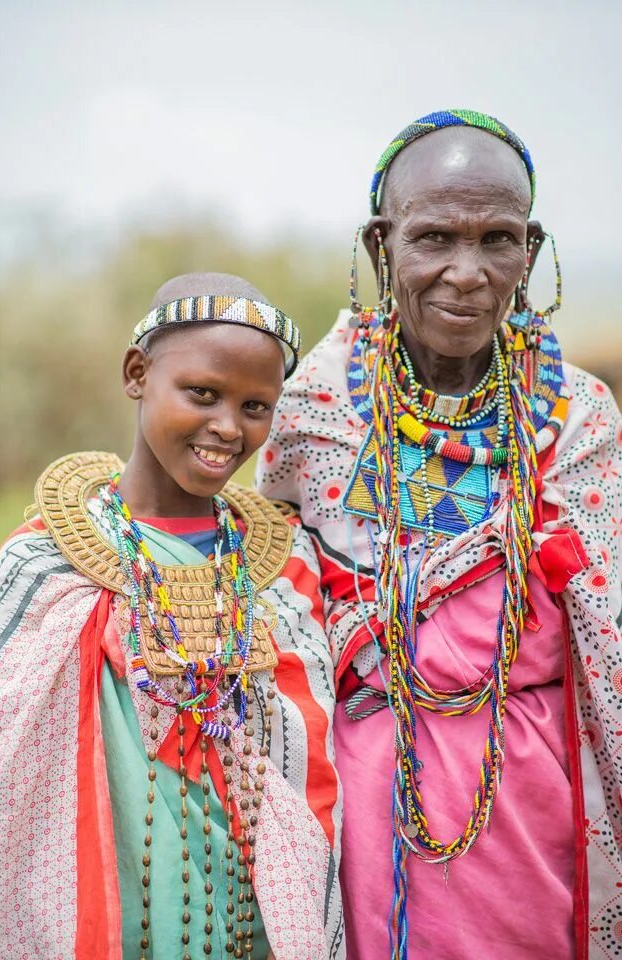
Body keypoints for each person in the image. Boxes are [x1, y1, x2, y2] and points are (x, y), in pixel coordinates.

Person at [257, 110, 622, 959]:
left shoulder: (579, 419)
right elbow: (274, 613)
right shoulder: (315, 409)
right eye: (433, 238)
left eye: (497, 239)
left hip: (536, 800)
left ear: (529, 251)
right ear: (380, 244)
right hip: (360, 799)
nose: (466, 272)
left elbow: (608, 643)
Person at [0, 273, 345, 960]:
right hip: (98, 904)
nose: (228, 427)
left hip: (254, 911)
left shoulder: (283, 565)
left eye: (255, 406)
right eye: (202, 394)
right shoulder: (46, 561)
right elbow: (4, 759)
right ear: (137, 374)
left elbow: (305, 751)